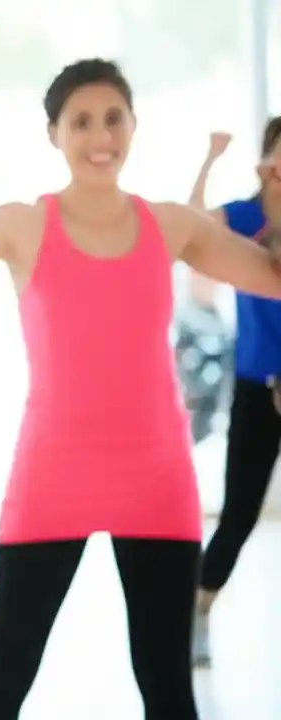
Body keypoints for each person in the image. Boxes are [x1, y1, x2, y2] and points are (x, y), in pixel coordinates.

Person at [0, 59, 281, 719]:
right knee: (2, 683)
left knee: (168, 690)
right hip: (52, 476)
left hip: (157, 479)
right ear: (54, 133)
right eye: (81, 121)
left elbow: (273, 276)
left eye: (114, 118)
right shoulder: (20, 224)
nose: (101, 135)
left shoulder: (169, 224)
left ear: (134, 125)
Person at [185, 117, 281, 667]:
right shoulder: (244, 218)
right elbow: (190, 230)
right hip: (254, 391)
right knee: (240, 515)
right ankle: (198, 612)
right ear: (265, 164)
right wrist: (208, 161)